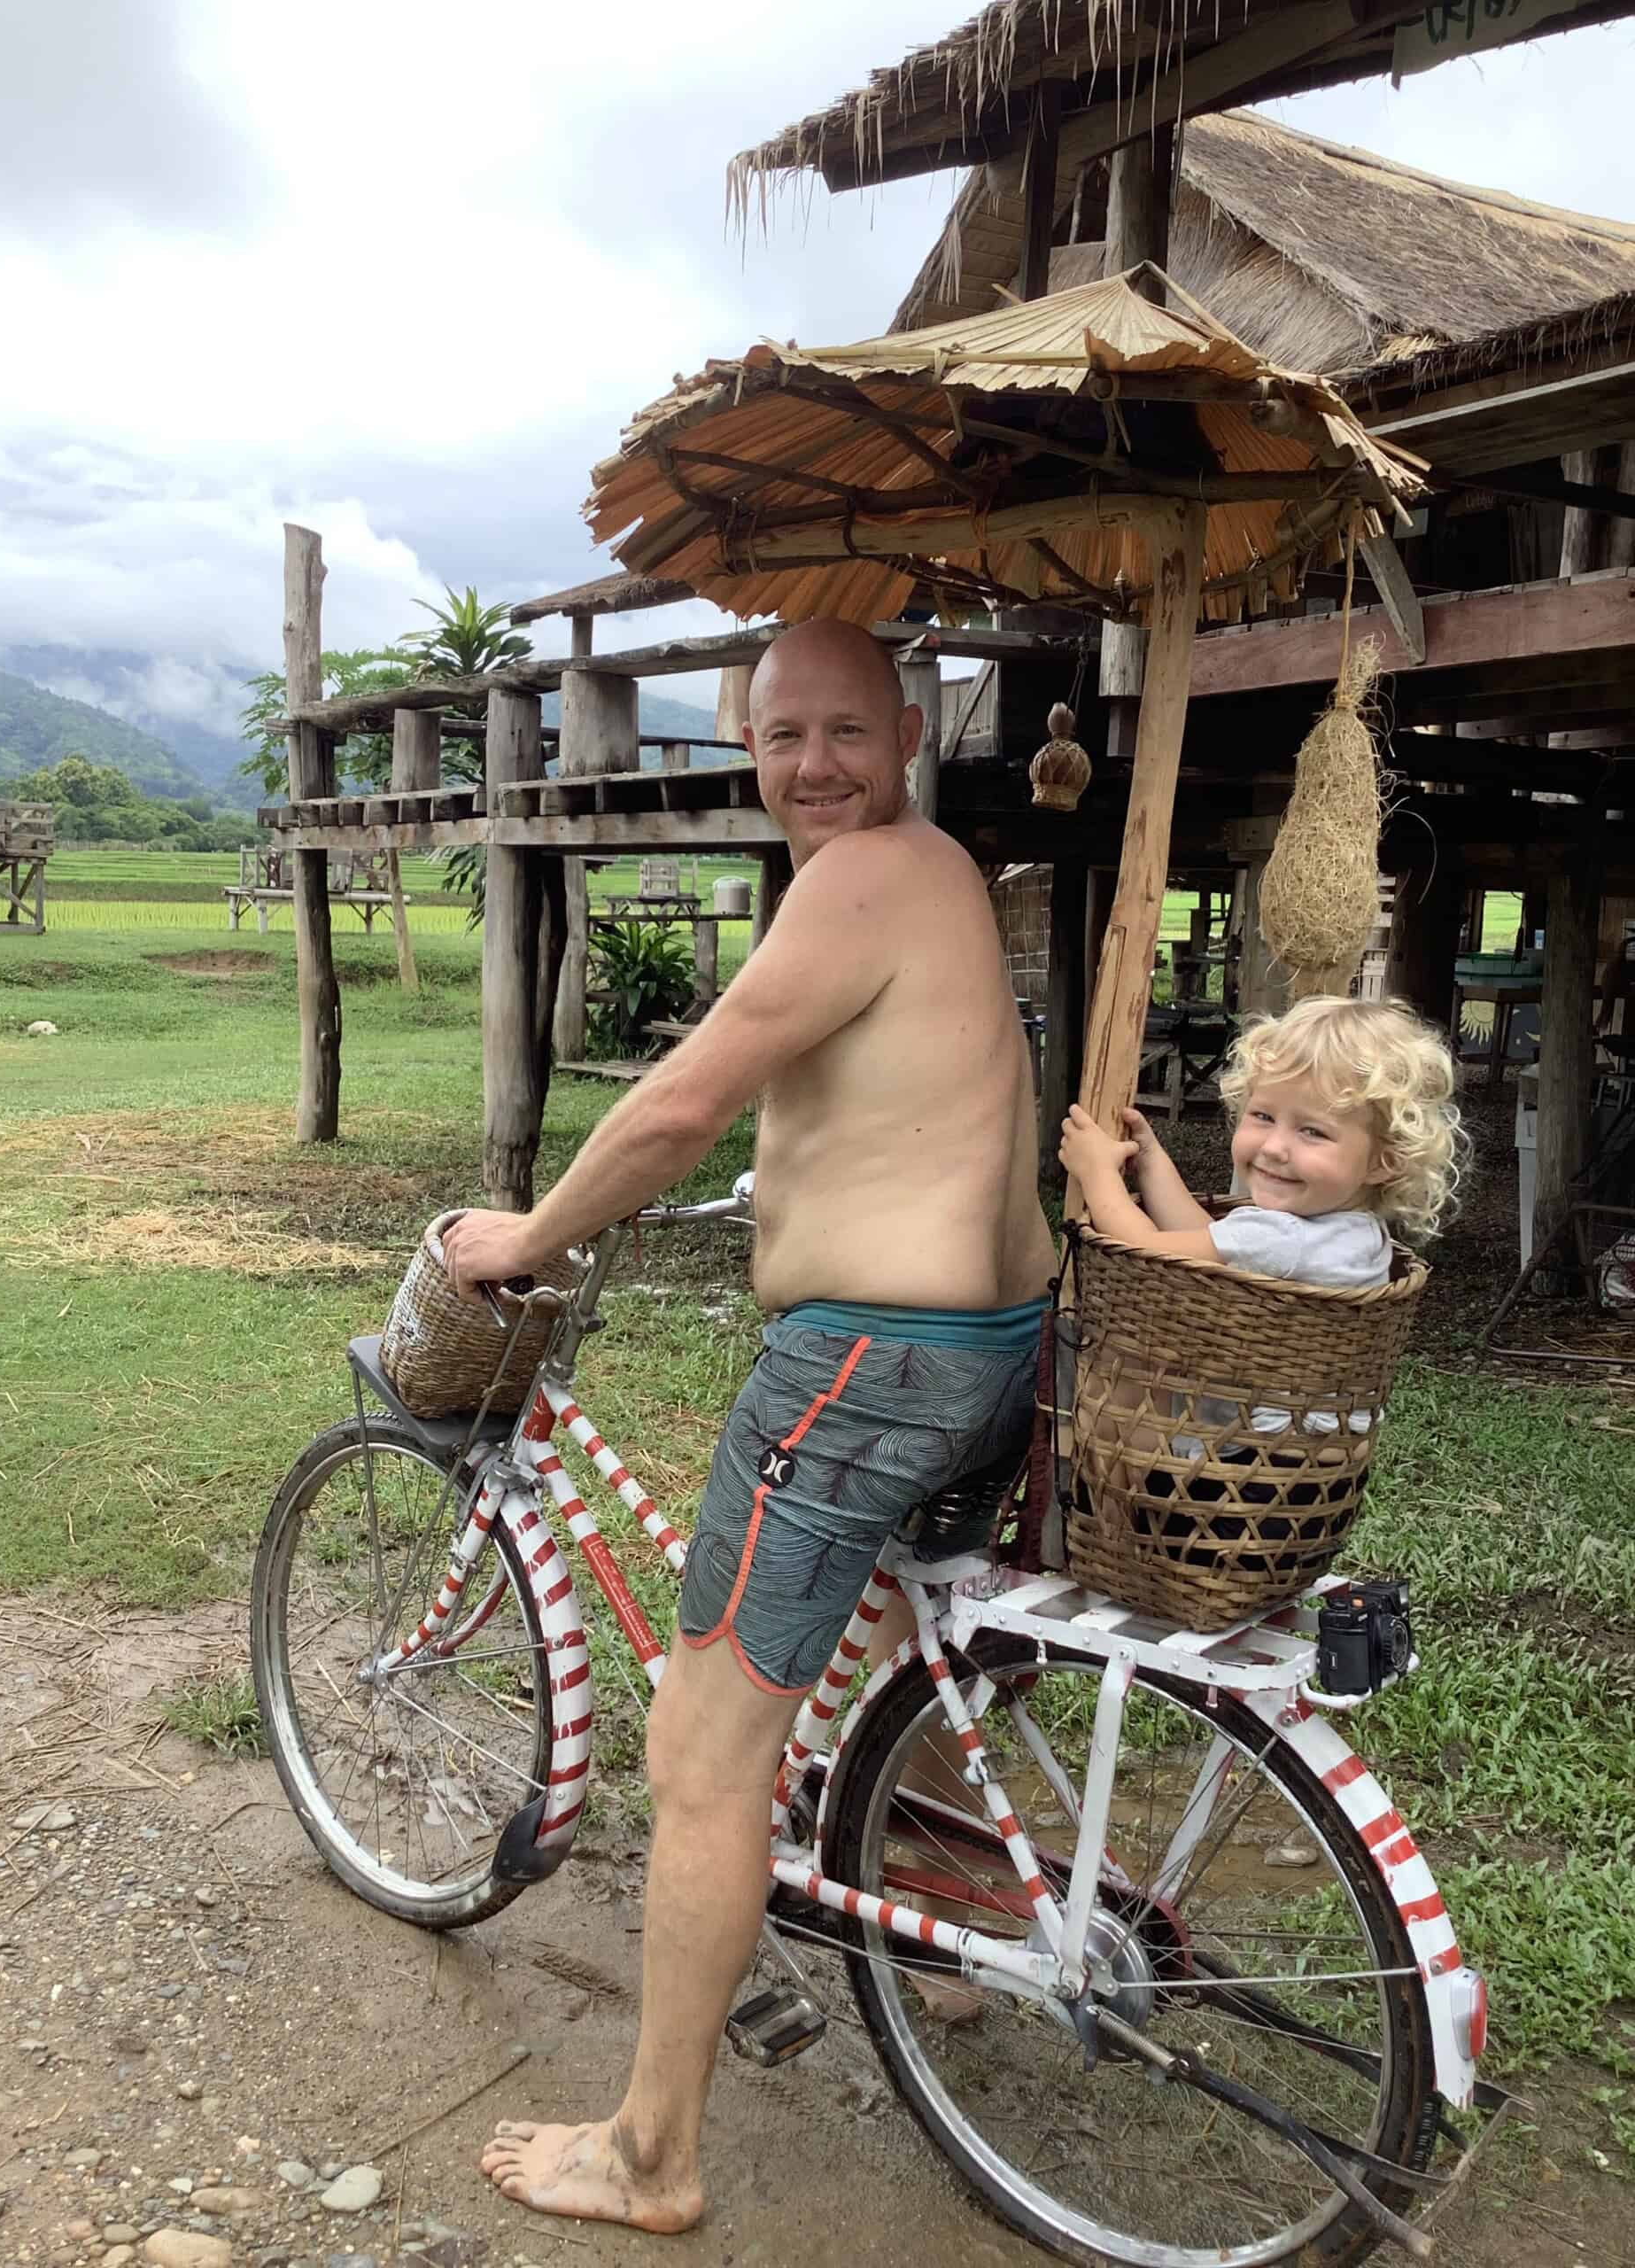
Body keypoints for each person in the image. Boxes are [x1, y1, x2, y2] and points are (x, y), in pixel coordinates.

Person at [439, 618, 1056, 2234]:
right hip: (989, 1353)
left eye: (844, 733)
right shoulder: (938, 879)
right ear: (748, 748)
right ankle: (948, 1916)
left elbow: (678, 1101)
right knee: (878, 1655)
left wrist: (528, 1234)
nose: (813, 769)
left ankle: (653, 2154)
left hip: (869, 1363)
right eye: (783, 740)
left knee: (705, 1749)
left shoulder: (862, 877)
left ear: (908, 732)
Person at [1058, 995, 1466, 1456]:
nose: (1274, 1147)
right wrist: (1151, 1162)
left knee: (1118, 1398)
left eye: (1312, 1131)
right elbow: (1204, 1244)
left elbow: (1147, 1246)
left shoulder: (1287, 1240)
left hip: (1249, 1465)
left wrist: (1097, 1174)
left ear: (1383, 1161)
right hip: (1308, 1466)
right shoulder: (1352, 1232)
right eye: (1263, 1116)